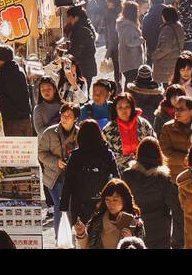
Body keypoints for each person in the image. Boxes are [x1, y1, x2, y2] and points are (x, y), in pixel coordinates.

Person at [60, 118, 118, 229]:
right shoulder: (107, 154)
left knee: (83, 237)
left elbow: (68, 181)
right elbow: (116, 178)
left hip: (80, 204)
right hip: (103, 203)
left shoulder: (76, 156)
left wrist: (63, 205)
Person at [38, 102, 79, 230]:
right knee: (59, 206)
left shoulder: (80, 133)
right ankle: (58, 238)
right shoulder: (49, 132)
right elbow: (41, 153)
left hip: (72, 177)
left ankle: (69, 238)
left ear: (75, 119)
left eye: (69, 116)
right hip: (54, 177)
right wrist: (56, 161)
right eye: (63, 115)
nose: (65, 118)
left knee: (71, 208)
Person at [75, 178, 145, 249]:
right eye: (107, 199)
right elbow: (87, 246)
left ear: (125, 200)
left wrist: (130, 241)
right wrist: (81, 234)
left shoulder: (135, 224)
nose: (110, 204)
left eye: (115, 200)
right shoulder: (97, 221)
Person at [102, 93, 155, 173]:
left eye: (127, 106)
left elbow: (153, 145)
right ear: (115, 109)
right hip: (119, 173)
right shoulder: (108, 129)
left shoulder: (143, 124)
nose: (124, 110)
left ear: (132, 108)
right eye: (120, 107)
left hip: (144, 171)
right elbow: (105, 155)